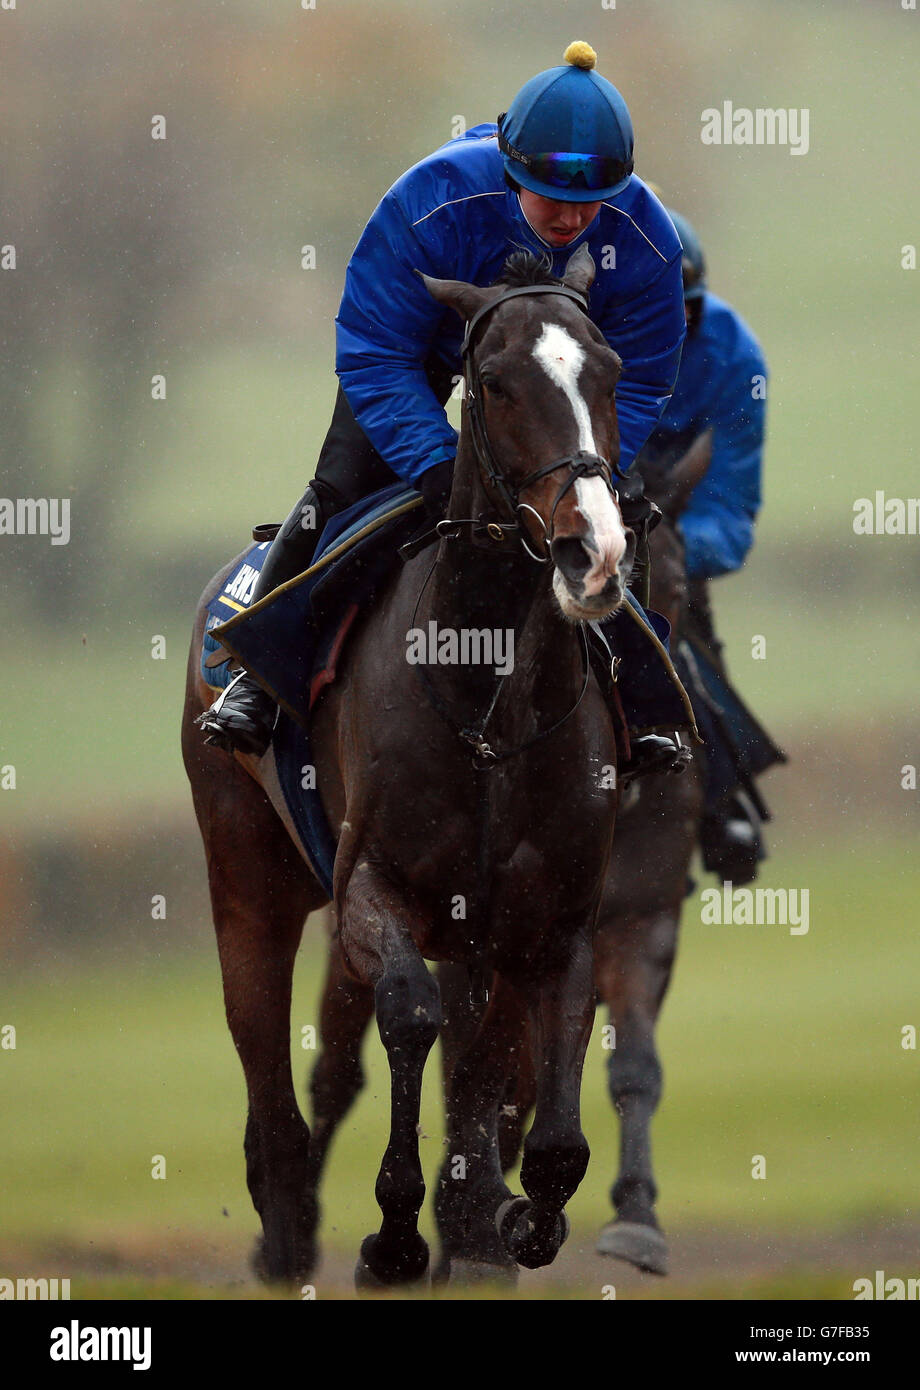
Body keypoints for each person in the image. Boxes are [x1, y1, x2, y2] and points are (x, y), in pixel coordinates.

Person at [199, 42, 687, 769]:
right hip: (414, 361)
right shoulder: (433, 200)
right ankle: (255, 679)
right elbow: (373, 350)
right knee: (337, 489)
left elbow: (642, 376)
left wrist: (592, 464)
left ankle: (642, 707)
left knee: (624, 515)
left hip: (561, 385)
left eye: (592, 204)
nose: (572, 220)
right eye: (553, 199)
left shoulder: (644, 235)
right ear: (511, 170)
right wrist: (434, 462)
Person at [634, 206, 786, 881]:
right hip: (572, 530)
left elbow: (729, 513)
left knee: (691, 649)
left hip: (662, 552)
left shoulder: (735, 357)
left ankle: (720, 806)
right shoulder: (580, 329)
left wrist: (656, 554)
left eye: (681, 315)